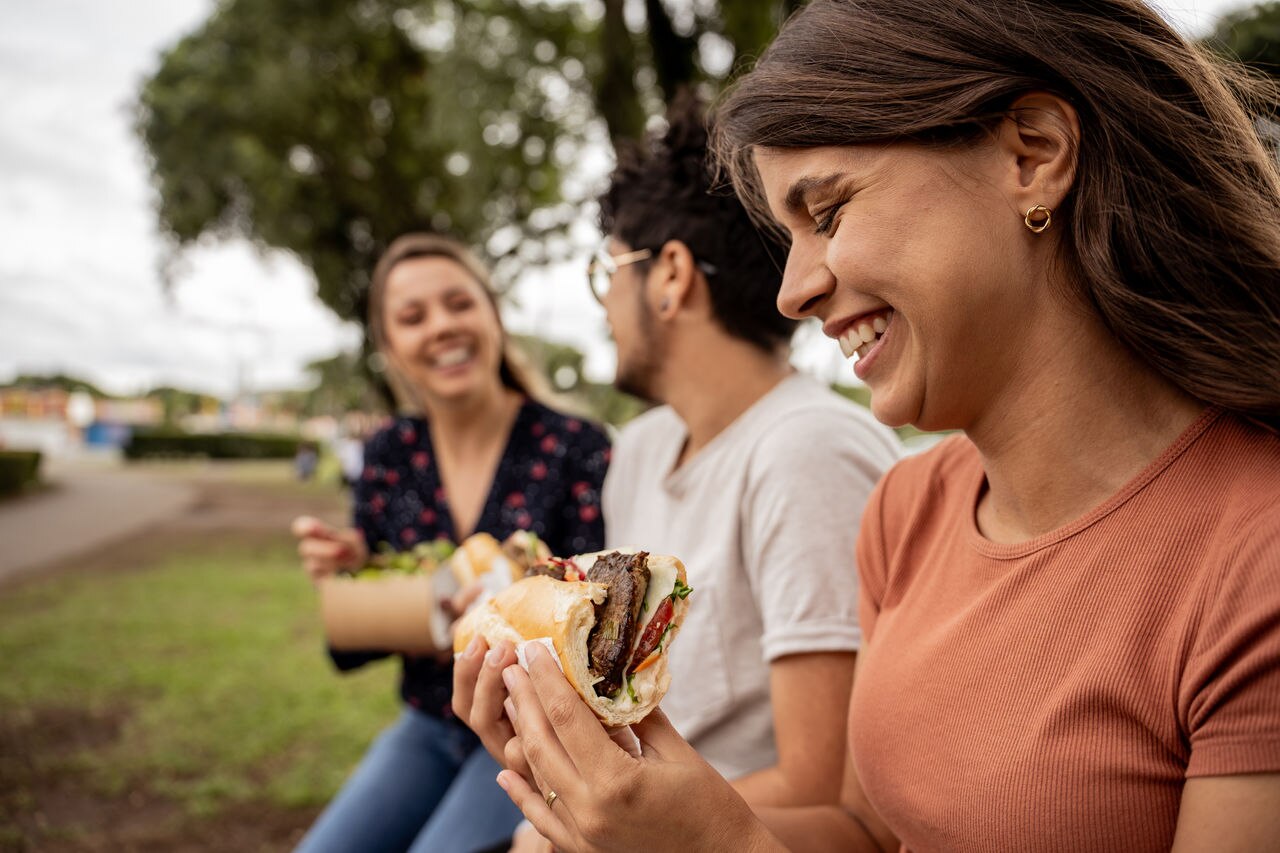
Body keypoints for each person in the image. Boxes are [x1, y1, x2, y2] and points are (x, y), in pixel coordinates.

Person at [452, 0, 1280, 850]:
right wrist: (599, 793)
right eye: (788, 235)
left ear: (1032, 154)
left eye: (830, 212)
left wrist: (720, 848)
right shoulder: (906, 509)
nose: (793, 290)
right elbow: (868, 830)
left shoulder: (1253, 564)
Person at [458, 94, 900, 852]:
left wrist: (583, 817)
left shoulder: (806, 450)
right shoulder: (642, 445)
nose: (602, 310)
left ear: (668, 274)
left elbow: (822, 788)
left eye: (608, 271)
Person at [291, 233, 610, 853]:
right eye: (412, 317)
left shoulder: (578, 447)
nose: (441, 326)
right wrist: (366, 575)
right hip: (431, 724)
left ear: (493, 314)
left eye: (458, 304)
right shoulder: (387, 455)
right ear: (390, 349)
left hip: (537, 731)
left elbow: (600, 623)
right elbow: (350, 649)